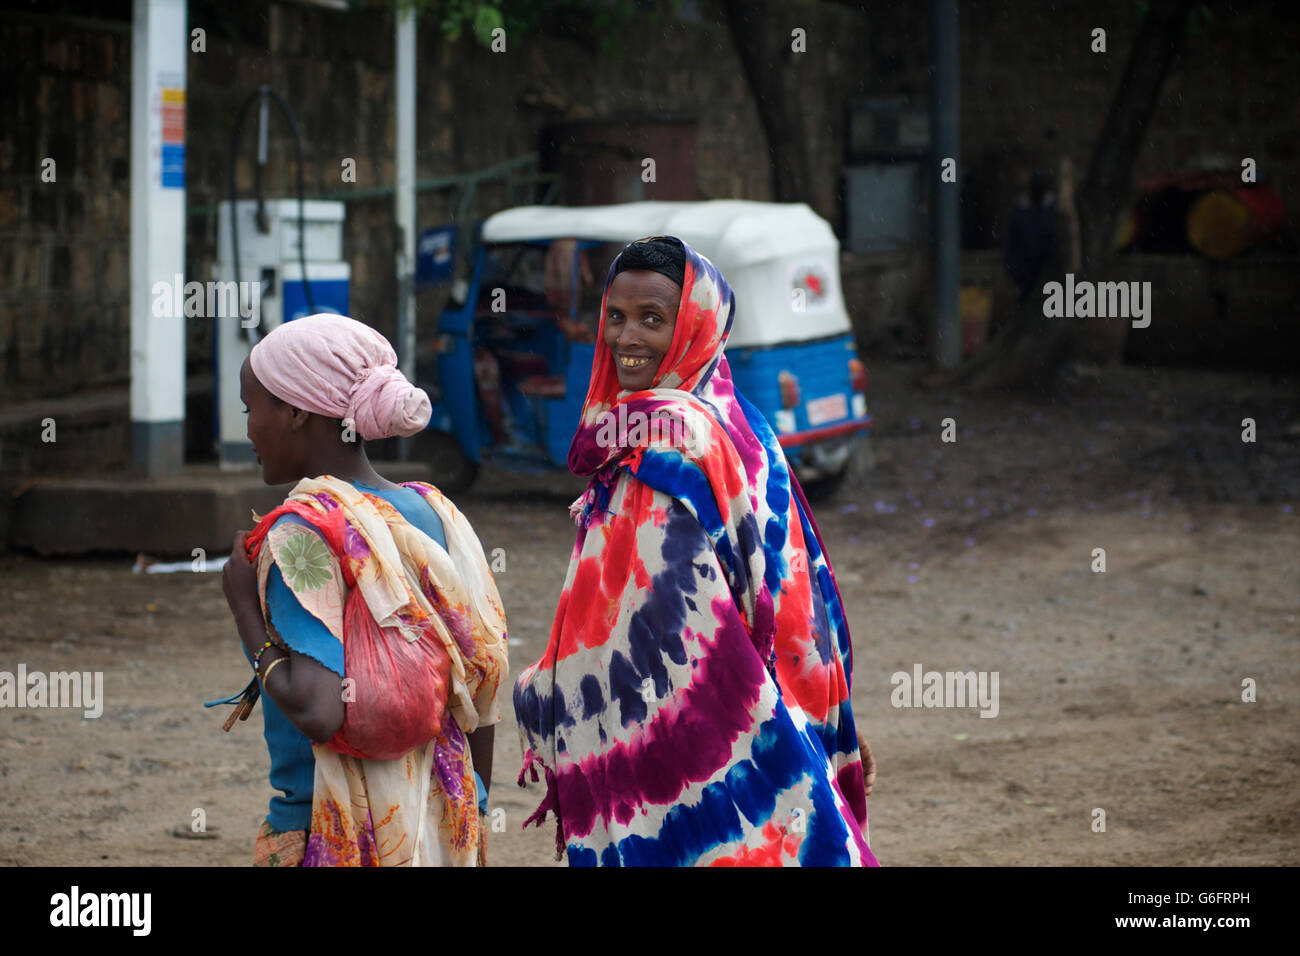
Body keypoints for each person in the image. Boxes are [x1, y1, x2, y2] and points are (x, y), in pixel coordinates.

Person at [513, 237, 879, 866]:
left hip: (715, 741)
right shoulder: (741, 419)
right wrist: (825, 713)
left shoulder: (661, 451)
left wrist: (540, 694)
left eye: (653, 320)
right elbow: (794, 592)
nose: (627, 338)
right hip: (785, 699)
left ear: (695, 326)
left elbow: (664, 642)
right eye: (617, 317)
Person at [214, 312, 509, 866]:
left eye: (252, 409)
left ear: (297, 411)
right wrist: (475, 808)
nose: (247, 429)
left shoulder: (301, 532)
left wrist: (243, 609)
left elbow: (319, 710)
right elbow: (480, 684)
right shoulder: (435, 513)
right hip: (441, 816)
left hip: (328, 826)